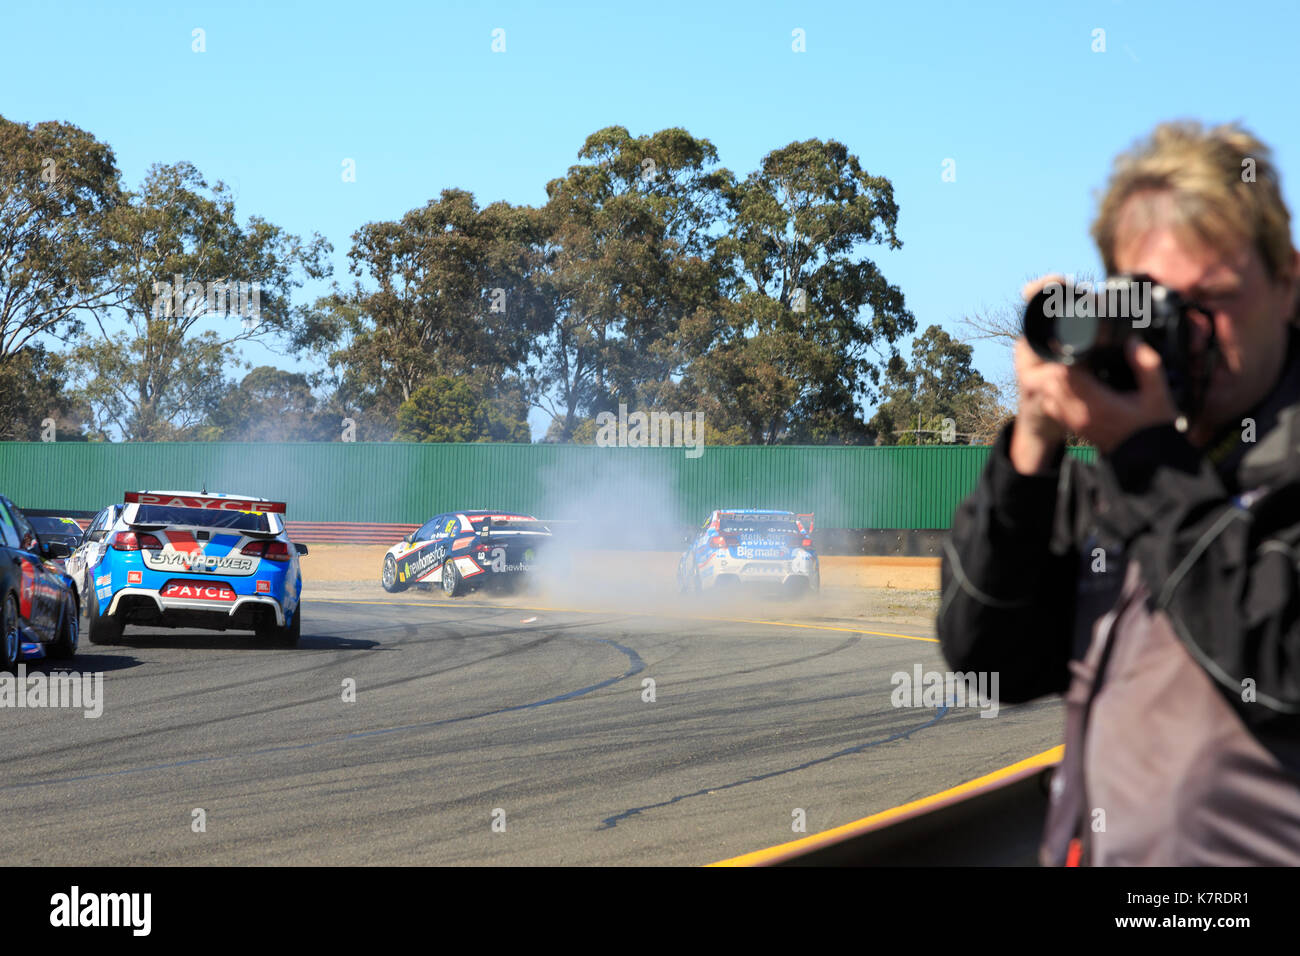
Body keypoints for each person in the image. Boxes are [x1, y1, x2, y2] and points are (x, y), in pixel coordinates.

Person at [938, 121, 1300, 865]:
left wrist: (1146, 460)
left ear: (1290, 280)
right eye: (1161, 308)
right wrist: (1032, 449)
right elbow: (991, 661)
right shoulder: (1122, 477)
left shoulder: (1153, 469)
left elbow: (1281, 666)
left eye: (1217, 301)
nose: (1192, 336)